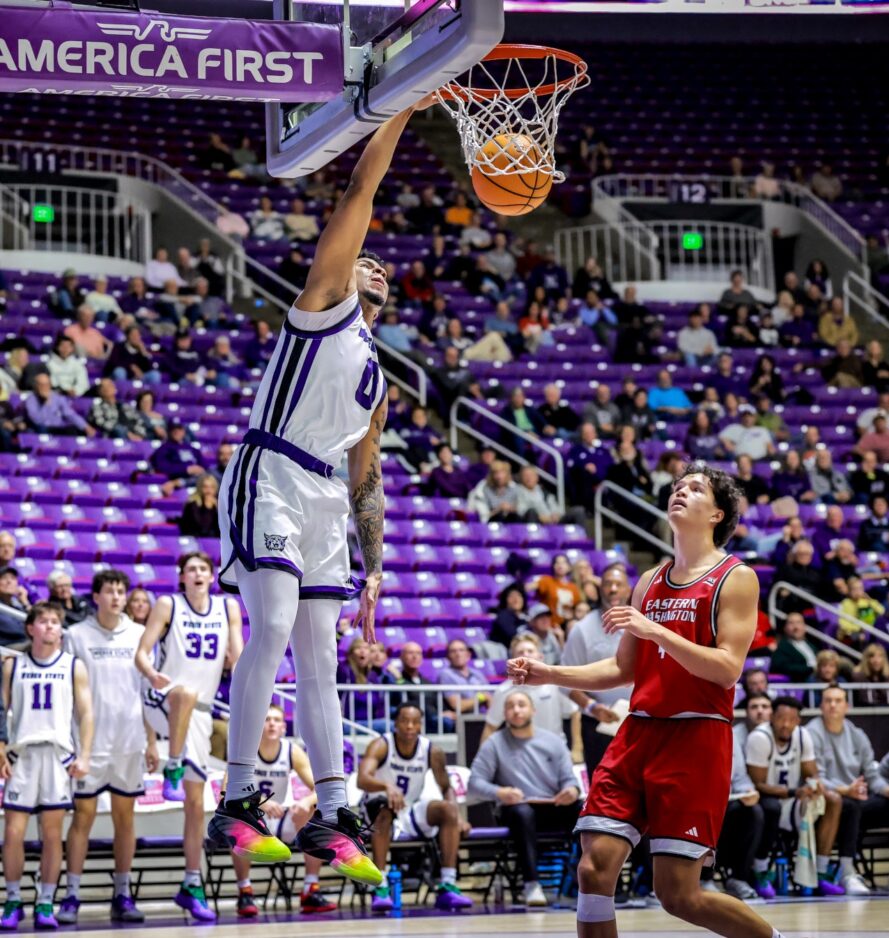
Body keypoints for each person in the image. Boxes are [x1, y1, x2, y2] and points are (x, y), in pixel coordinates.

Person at [211, 102, 434, 890]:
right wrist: (405, 101)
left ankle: (332, 813)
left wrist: (374, 568)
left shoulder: (379, 377)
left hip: (325, 501)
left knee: (318, 660)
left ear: (389, 298)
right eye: (362, 257)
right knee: (268, 623)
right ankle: (239, 798)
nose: (368, 262)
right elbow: (360, 193)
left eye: (378, 266)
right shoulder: (323, 306)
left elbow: (366, 477)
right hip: (270, 469)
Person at [507, 461, 790, 938]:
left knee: (678, 895)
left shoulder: (736, 578)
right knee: (594, 870)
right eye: (677, 486)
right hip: (638, 730)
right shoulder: (650, 579)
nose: (680, 491)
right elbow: (623, 669)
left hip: (696, 736)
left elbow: (726, 669)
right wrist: (548, 673)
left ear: (717, 514)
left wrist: (654, 628)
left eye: (695, 488)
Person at [136, 552, 244, 921]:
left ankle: (191, 882)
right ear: (181, 576)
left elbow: (237, 654)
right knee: (183, 692)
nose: (197, 574)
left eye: (203, 569)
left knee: (196, 806)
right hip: (160, 696)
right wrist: (152, 674)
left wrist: (248, 672)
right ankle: (172, 767)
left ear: (212, 576)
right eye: (191, 569)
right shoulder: (169, 604)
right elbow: (141, 653)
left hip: (198, 714)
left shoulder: (227, 607)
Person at [59, 570, 159, 925]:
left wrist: (151, 741)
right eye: (110, 591)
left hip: (129, 742)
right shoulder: (75, 636)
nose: (117, 597)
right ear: (96, 597)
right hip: (88, 745)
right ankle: (70, 894)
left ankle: (122, 893)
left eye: (121, 591)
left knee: (124, 819)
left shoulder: (138, 635)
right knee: (82, 819)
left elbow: (149, 694)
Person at [0, 603, 93, 931]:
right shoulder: (14, 665)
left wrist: (85, 755)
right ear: (30, 628)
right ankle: (12, 900)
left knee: (52, 834)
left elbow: (87, 714)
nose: (51, 627)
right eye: (44, 622)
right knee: (13, 833)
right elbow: (2, 710)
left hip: (57, 757)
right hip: (21, 755)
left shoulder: (73, 666)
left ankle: (45, 902)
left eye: (55, 622)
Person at [468, 689, 581, 907]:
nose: (516, 710)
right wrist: (499, 793)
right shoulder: (494, 743)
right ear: (504, 714)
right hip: (516, 809)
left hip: (552, 806)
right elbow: (474, 783)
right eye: (510, 707)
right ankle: (532, 885)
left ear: (533, 710)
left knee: (585, 809)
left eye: (521, 705)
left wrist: (571, 791)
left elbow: (570, 780)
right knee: (522, 812)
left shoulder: (553, 742)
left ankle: (579, 879)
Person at [358, 703, 473, 912]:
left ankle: (448, 884)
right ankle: (380, 885)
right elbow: (362, 779)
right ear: (396, 724)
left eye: (415, 722)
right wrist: (386, 786)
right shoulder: (382, 744)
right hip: (374, 810)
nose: (410, 726)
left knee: (448, 810)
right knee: (385, 809)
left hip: (407, 809)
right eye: (405, 721)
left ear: (421, 725)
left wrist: (458, 817)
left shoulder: (431, 750)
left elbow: (447, 788)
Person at [230, 705, 337, 917]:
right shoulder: (243, 750)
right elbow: (228, 791)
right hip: (252, 821)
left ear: (283, 728)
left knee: (313, 814)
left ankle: (310, 890)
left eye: (277, 720)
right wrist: (258, 801)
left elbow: (322, 789)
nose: (271, 723)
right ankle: (245, 891)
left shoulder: (292, 752)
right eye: (266, 719)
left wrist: (306, 801)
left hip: (277, 819)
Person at [745, 695, 844, 898]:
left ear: (798, 721)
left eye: (791, 720)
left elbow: (811, 773)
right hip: (767, 801)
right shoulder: (759, 738)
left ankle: (821, 872)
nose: (786, 724)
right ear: (772, 717)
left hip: (794, 801)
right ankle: (760, 871)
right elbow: (758, 784)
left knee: (833, 800)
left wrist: (816, 788)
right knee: (771, 807)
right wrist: (793, 792)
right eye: (781, 719)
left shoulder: (802, 735)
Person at [806, 683, 889, 895]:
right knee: (851, 806)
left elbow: (872, 775)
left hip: (857, 797)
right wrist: (845, 790)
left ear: (847, 706)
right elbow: (816, 776)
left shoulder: (857, 734)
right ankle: (846, 870)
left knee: (882, 803)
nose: (833, 705)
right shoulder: (811, 733)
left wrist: (885, 789)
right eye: (828, 701)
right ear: (821, 706)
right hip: (826, 800)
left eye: (838, 701)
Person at [559, 565, 631, 778]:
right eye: (608, 584)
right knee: (601, 791)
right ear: (600, 589)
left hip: (640, 722)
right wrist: (592, 707)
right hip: (599, 724)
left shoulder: (646, 624)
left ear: (629, 589)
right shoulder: (583, 628)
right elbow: (566, 680)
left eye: (619, 584)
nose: (613, 589)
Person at [482, 634, 578, 744]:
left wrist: (577, 748)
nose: (526, 655)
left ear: (540, 657)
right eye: (520, 652)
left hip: (554, 749)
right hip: (518, 753)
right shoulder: (503, 690)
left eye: (530, 651)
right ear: (512, 660)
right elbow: (491, 726)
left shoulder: (555, 684)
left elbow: (574, 712)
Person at [770, 612, 819, 681]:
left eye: (799, 622)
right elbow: (782, 667)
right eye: (791, 623)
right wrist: (811, 669)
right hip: (801, 682)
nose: (796, 627)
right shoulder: (781, 647)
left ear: (804, 626)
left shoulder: (813, 645)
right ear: (785, 628)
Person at [179, 473, 221, 538]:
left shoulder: (218, 504)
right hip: (196, 541)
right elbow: (203, 530)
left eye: (212, 487)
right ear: (200, 488)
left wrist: (218, 510)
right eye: (205, 487)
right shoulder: (192, 505)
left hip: (215, 543)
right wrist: (208, 508)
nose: (209, 491)